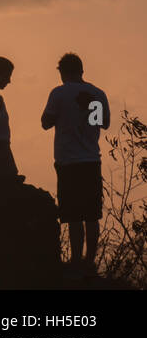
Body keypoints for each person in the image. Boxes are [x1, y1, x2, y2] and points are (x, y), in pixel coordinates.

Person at [41, 53, 110, 273]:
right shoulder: (98, 94)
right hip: (91, 160)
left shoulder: (59, 93)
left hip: (67, 162)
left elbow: (45, 122)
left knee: (73, 216)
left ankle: (76, 262)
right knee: (91, 215)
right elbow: (105, 123)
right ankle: (89, 263)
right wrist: (88, 109)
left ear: (62, 72)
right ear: (81, 69)